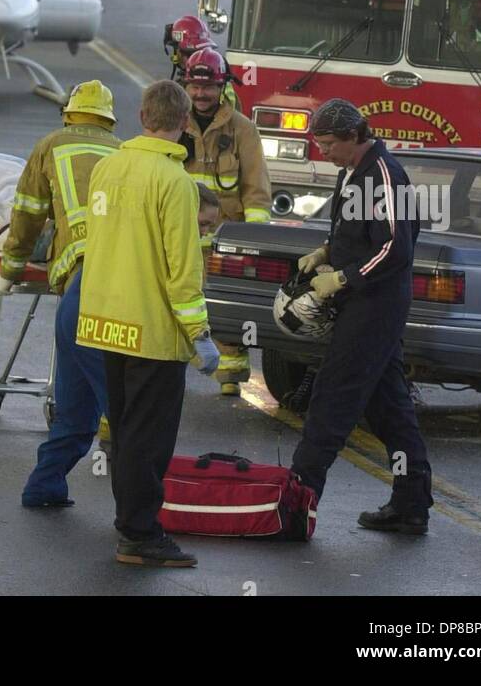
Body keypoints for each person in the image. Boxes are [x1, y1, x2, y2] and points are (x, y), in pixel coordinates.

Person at [77, 79, 219, 569]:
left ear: (141, 118)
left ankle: (129, 523)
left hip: (105, 322)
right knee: (149, 438)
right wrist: (199, 334)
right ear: (184, 125)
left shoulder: (107, 167)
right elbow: (183, 270)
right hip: (152, 330)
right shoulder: (174, 183)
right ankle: (139, 534)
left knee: (123, 429)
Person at [289, 97, 434, 534]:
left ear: (356, 136)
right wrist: (327, 254)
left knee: (332, 399)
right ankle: (411, 503)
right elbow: (364, 234)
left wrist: (344, 278)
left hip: (376, 307)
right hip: (364, 302)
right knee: (390, 409)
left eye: (329, 143)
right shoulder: (353, 172)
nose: (323, 152)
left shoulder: (385, 177)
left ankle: (296, 500)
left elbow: (395, 247)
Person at [0, 81, 121, 509]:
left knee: (76, 402)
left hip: (76, 290)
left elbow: (27, 214)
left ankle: (45, 485)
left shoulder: (51, 144)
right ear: (108, 119)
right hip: (109, 287)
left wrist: (9, 270)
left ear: (69, 114)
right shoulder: (125, 153)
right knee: (125, 407)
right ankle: (146, 512)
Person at [180, 46, 271, 394]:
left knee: (226, 306)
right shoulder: (175, 123)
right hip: (182, 236)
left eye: (208, 87)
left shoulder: (243, 130)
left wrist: (252, 241)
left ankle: (230, 375)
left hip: (224, 241)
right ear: (186, 86)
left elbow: (256, 187)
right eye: (194, 86)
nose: (200, 94)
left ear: (222, 88)